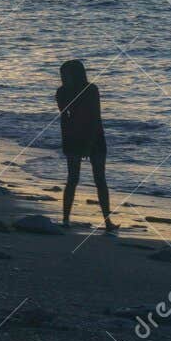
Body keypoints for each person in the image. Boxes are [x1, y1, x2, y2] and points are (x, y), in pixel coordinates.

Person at [56, 59, 116, 231]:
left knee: (100, 180)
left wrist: (88, 143)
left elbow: (94, 118)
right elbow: (65, 115)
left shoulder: (91, 90)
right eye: (61, 75)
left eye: (65, 75)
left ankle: (107, 221)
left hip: (94, 137)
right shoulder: (62, 92)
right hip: (72, 138)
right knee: (72, 179)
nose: (62, 78)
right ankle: (65, 219)